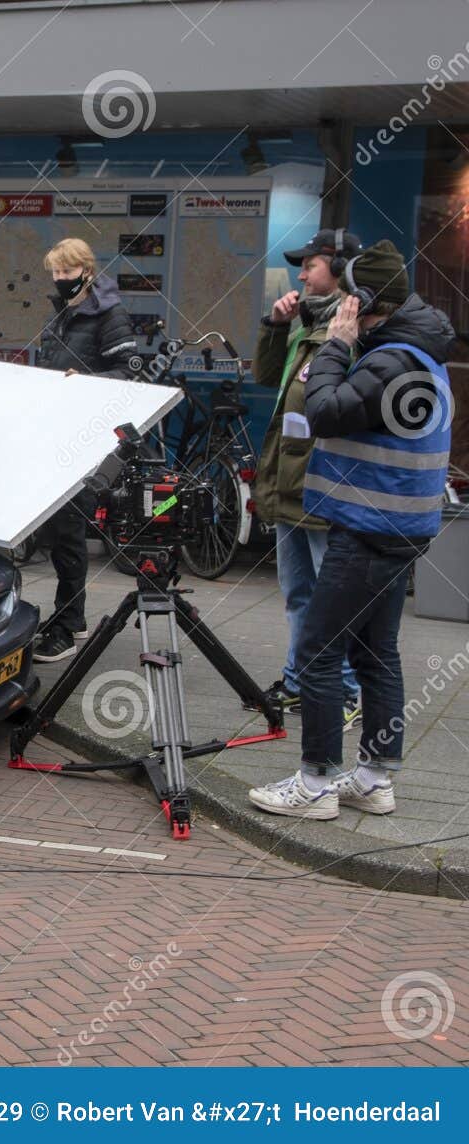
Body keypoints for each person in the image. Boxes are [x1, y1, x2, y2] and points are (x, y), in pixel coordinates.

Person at [248, 241, 454, 819]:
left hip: (367, 529)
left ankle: (315, 784)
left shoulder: (390, 360)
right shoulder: (419, 350)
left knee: (317, 650)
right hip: (398, 528)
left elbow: (329, 412)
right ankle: (374, 779)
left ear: (362, 302)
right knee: (376, 652)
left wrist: (337, 346)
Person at [252, 228, 363, 721]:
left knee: (330, 596)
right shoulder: (304, 323)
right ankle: (299, 681)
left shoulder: (351, 330)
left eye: (310, 265)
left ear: (339, 271)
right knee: (298, 593)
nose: (300, 274)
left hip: (321, 484)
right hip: (285, 481)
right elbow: (265, 378)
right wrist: (276, 326)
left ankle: (345, 690)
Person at [32, 237, 137, 664]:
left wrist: (87, 381)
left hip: (86, 440)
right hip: (56, 434)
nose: (60, 279)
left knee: (70, 534)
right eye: (55, 272)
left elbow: (131, 373)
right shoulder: (63, 313)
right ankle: (65, 615)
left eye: (67, 272)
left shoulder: (109, 314)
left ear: (86, 271)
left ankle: (70, 624)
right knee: (57, 535)